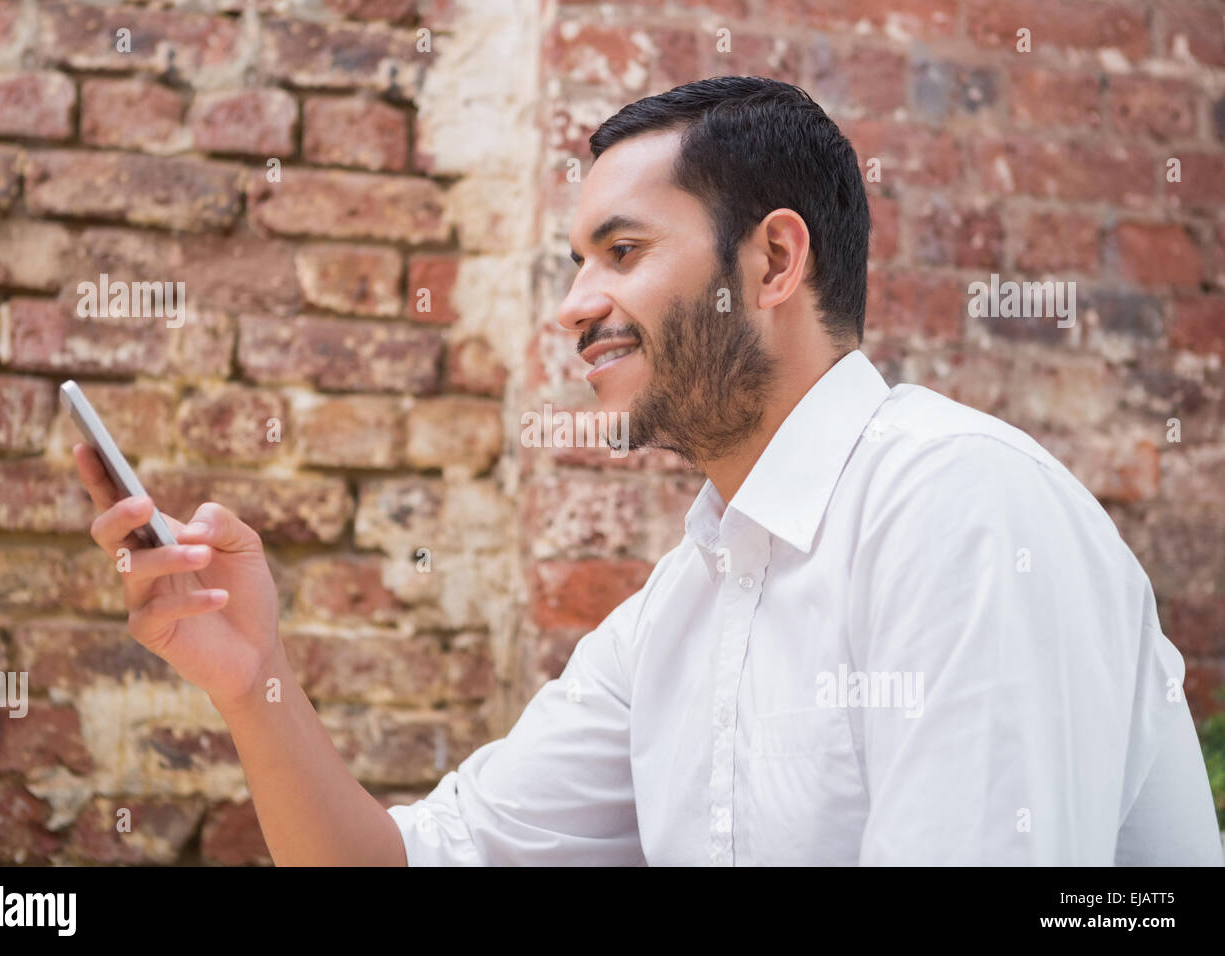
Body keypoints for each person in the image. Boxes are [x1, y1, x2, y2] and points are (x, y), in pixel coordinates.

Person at [73, 76, 1223, 865]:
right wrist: (253, 675)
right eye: (576, 262)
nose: (574, 305)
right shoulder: (689, 596)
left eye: (621, 251)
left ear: (772, 259)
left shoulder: (963, 509)